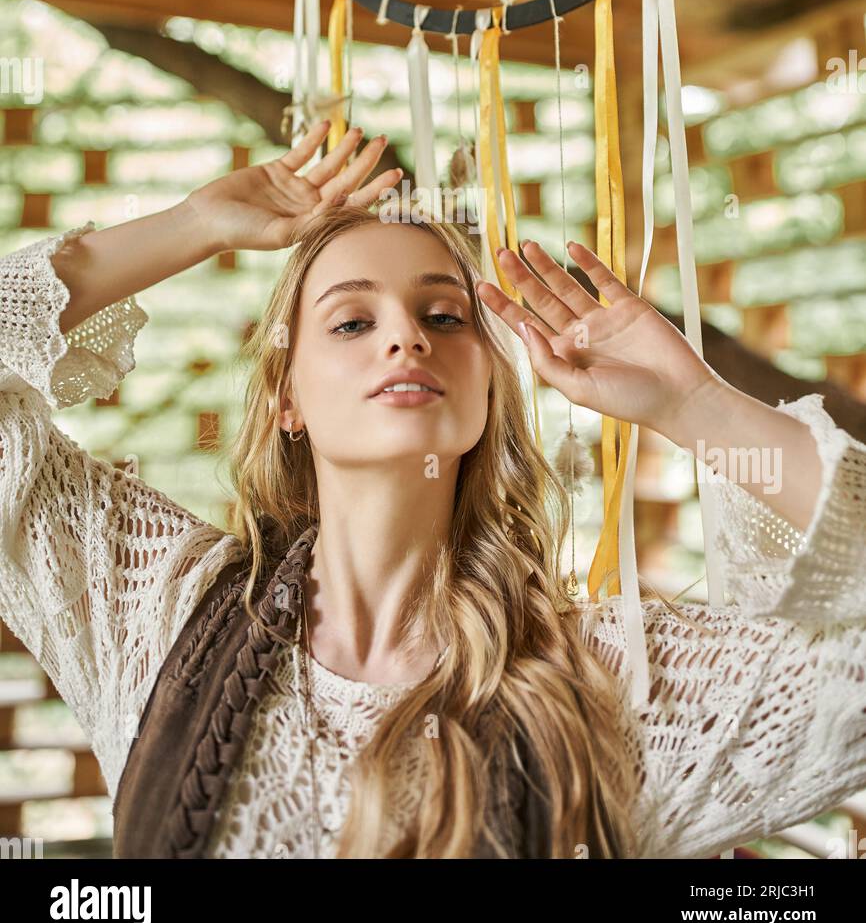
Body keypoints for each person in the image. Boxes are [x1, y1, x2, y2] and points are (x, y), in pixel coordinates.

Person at [0, 118, 864, 859]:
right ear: (287, 398)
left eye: (445, 316)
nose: (407, 337)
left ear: (489, 386)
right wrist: (190, 226)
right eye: (351, 320)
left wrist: (696, 404)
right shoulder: (153, 608)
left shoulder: (609, 686)